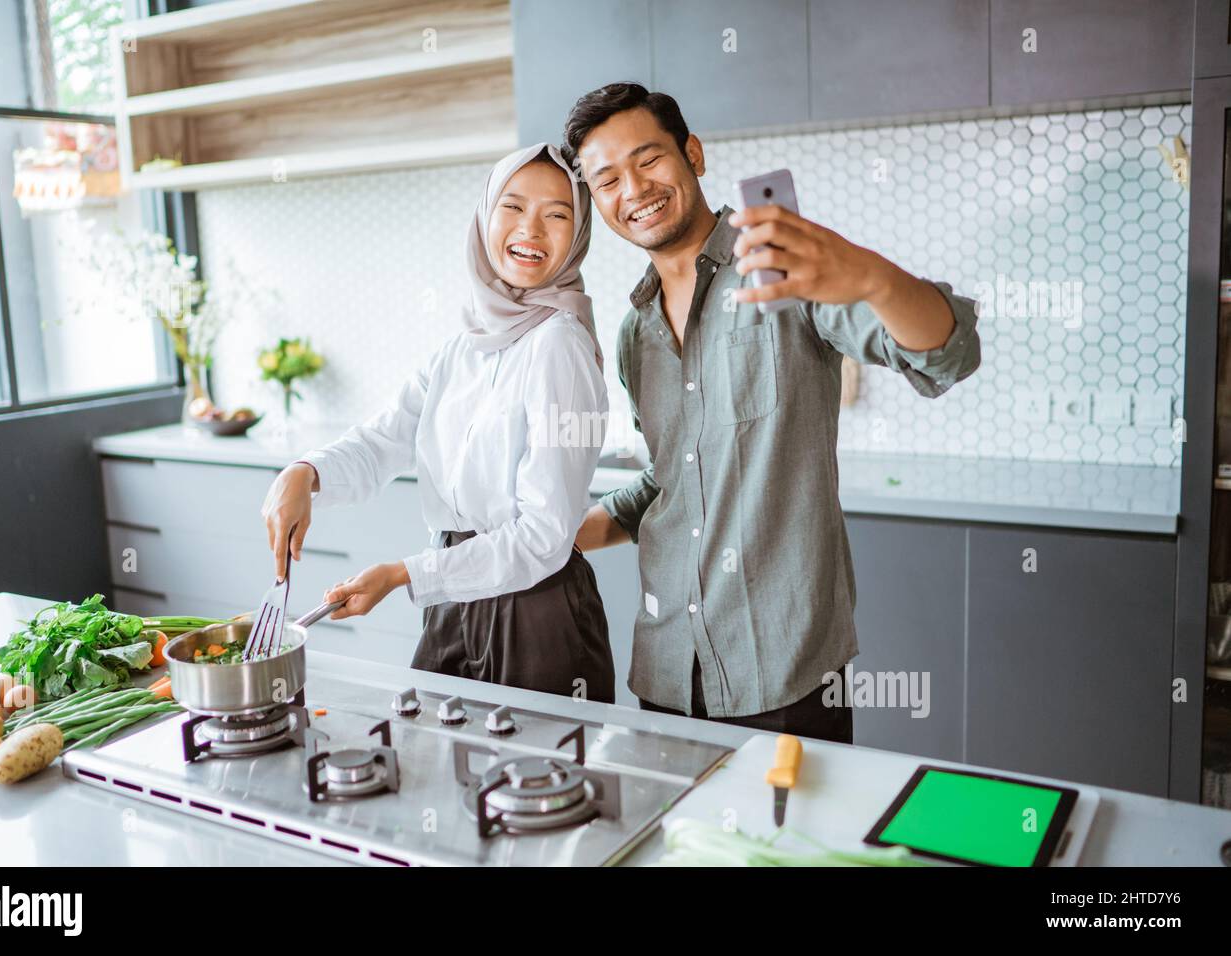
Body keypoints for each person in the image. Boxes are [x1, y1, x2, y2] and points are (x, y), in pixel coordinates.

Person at [567, 84, 982, 740]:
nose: (633, 189)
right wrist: (558, 535)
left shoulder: (786, 270)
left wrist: (872, 277)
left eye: (648, 160)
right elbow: (668, 482)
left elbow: (948, 353)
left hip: (787, 674)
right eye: (607, 179)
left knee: (791, 845)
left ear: (692, 154)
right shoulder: (632, 332)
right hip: (666, 670)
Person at [261, 143, 616, 703]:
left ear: (576, 236)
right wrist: (304, 473)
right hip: (453, 595)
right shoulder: (462, 348)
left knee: (537, 783)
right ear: (484, 216)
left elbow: (545, 537)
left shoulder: (559, 344)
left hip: (536, 612)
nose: (532, 229)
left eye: (557, 214)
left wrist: (405, 574)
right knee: (443, 763)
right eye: (513, 207)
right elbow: (385, 439)